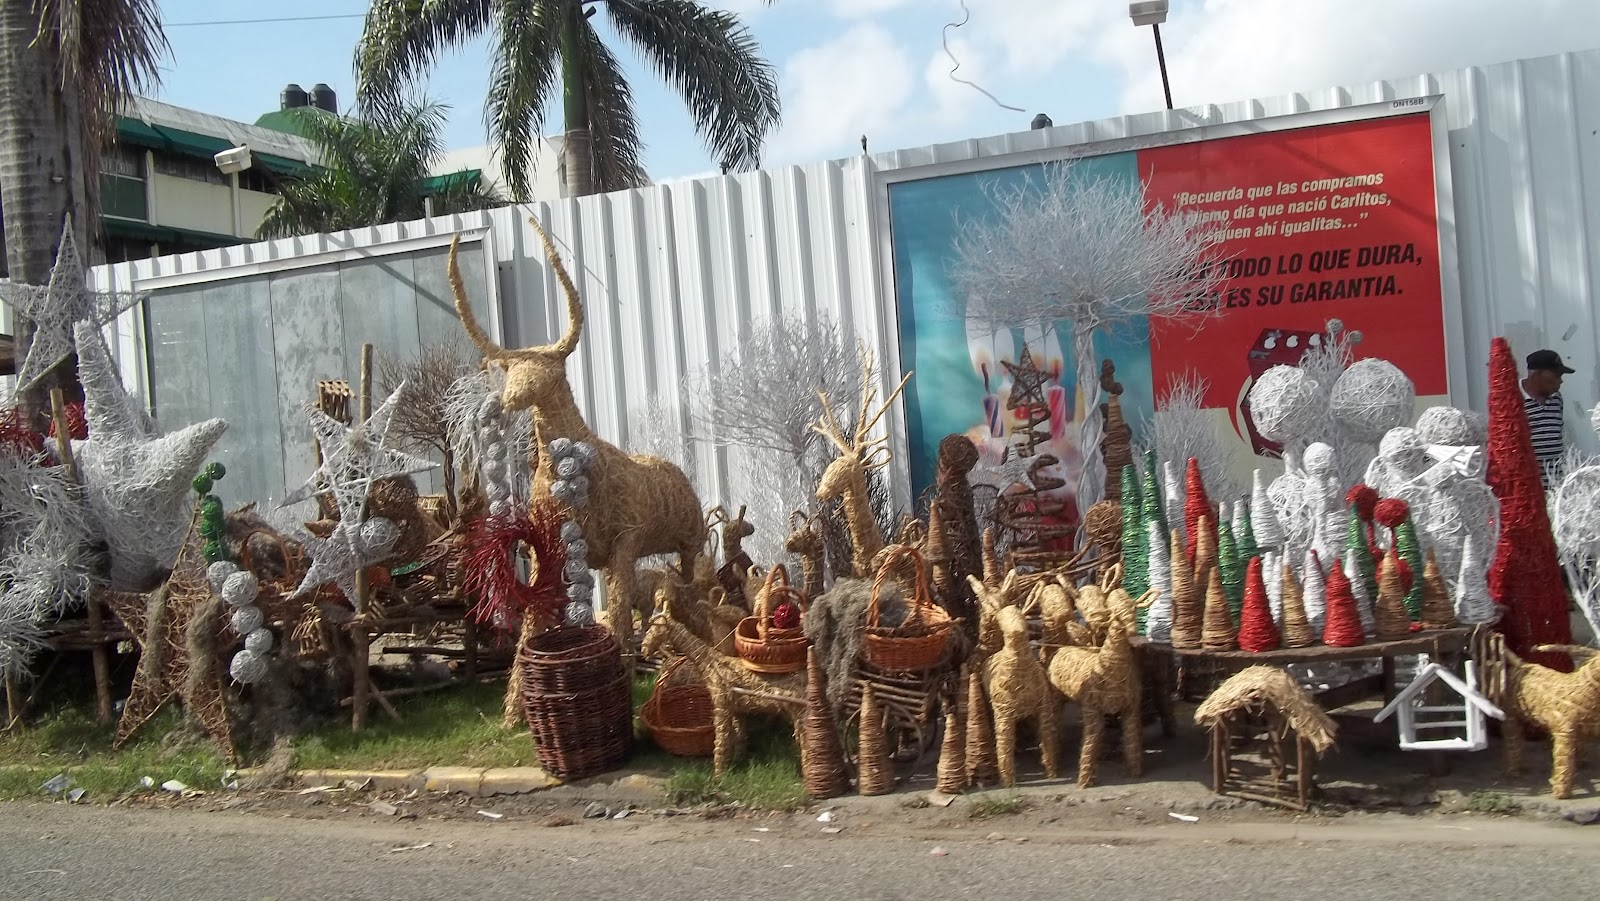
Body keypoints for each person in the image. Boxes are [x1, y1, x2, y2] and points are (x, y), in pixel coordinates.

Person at [1521, 349, 1573, 489]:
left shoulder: (1557, 398)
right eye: (1556, 375)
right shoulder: (1513, 398)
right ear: (1537, 375)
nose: (1560, 381)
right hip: (1527, 487)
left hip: (1556, 485)